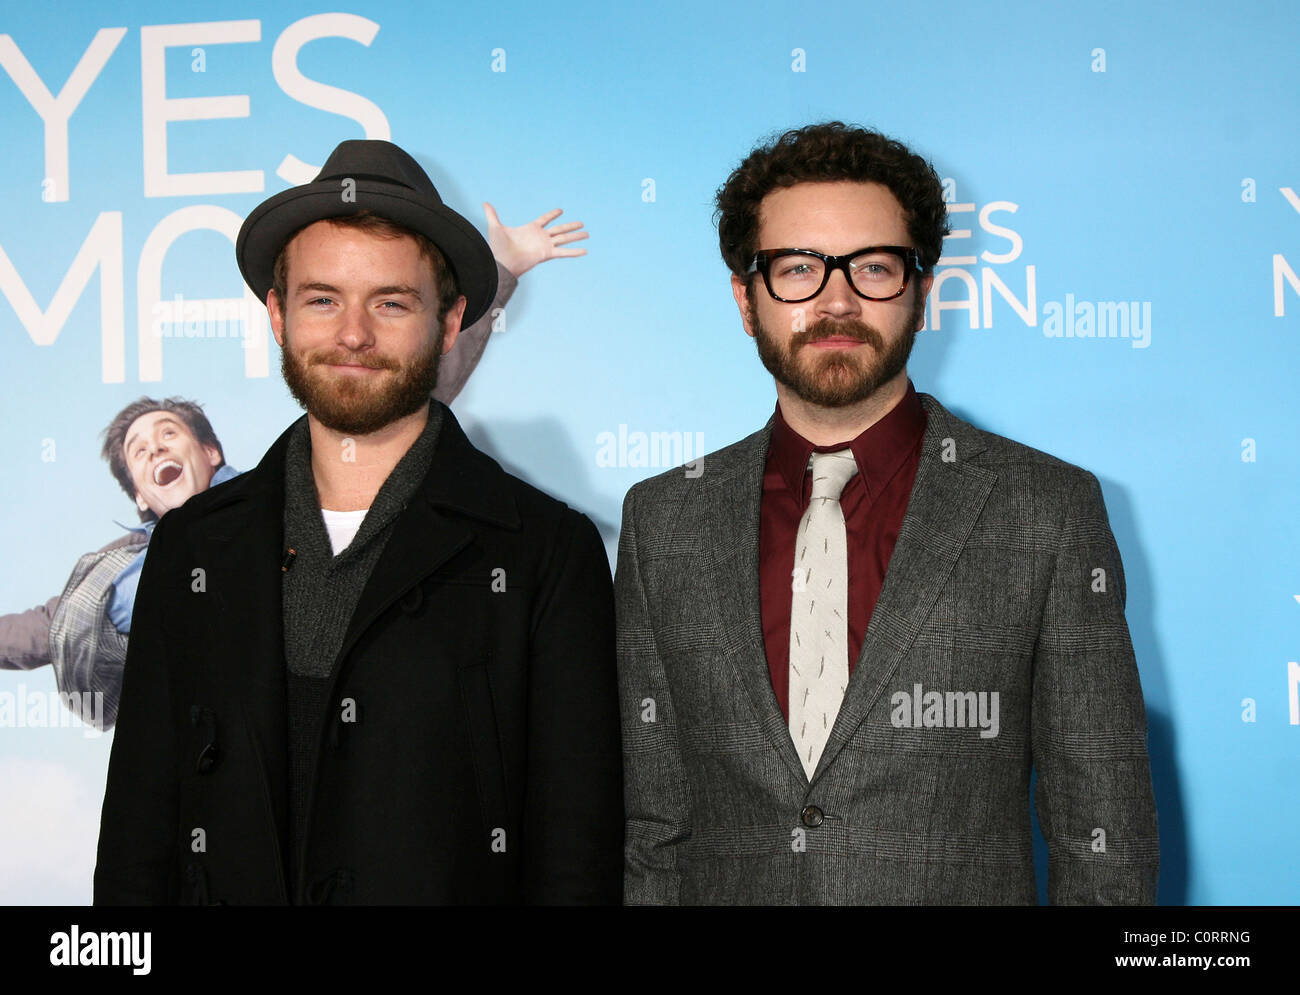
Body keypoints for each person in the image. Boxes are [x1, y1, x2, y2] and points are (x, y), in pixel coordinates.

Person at [615, 121, 1159, 905]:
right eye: (798, 267)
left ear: (922, 290)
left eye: (873, 266)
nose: (837, 301)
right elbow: (656, 834)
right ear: (745, 297)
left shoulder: (1045, 511)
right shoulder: (663, 522)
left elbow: (1103, 845)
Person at [94, 139, 621, 904]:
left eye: (390, 301)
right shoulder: (193, 545)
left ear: (450, 321)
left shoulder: (545, 553)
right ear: (276, 315)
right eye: (322, 298)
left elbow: (576, 859)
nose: (352, 334)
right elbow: (138, 840)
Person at [0, 195, 587, 731]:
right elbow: (32, 636)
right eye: (139, 451)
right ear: (136, 494)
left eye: (167, 434)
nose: (155, 450)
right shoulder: (105, 578)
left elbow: (398, 389)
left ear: (209, 452)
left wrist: (501, 271)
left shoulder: (290, 499)